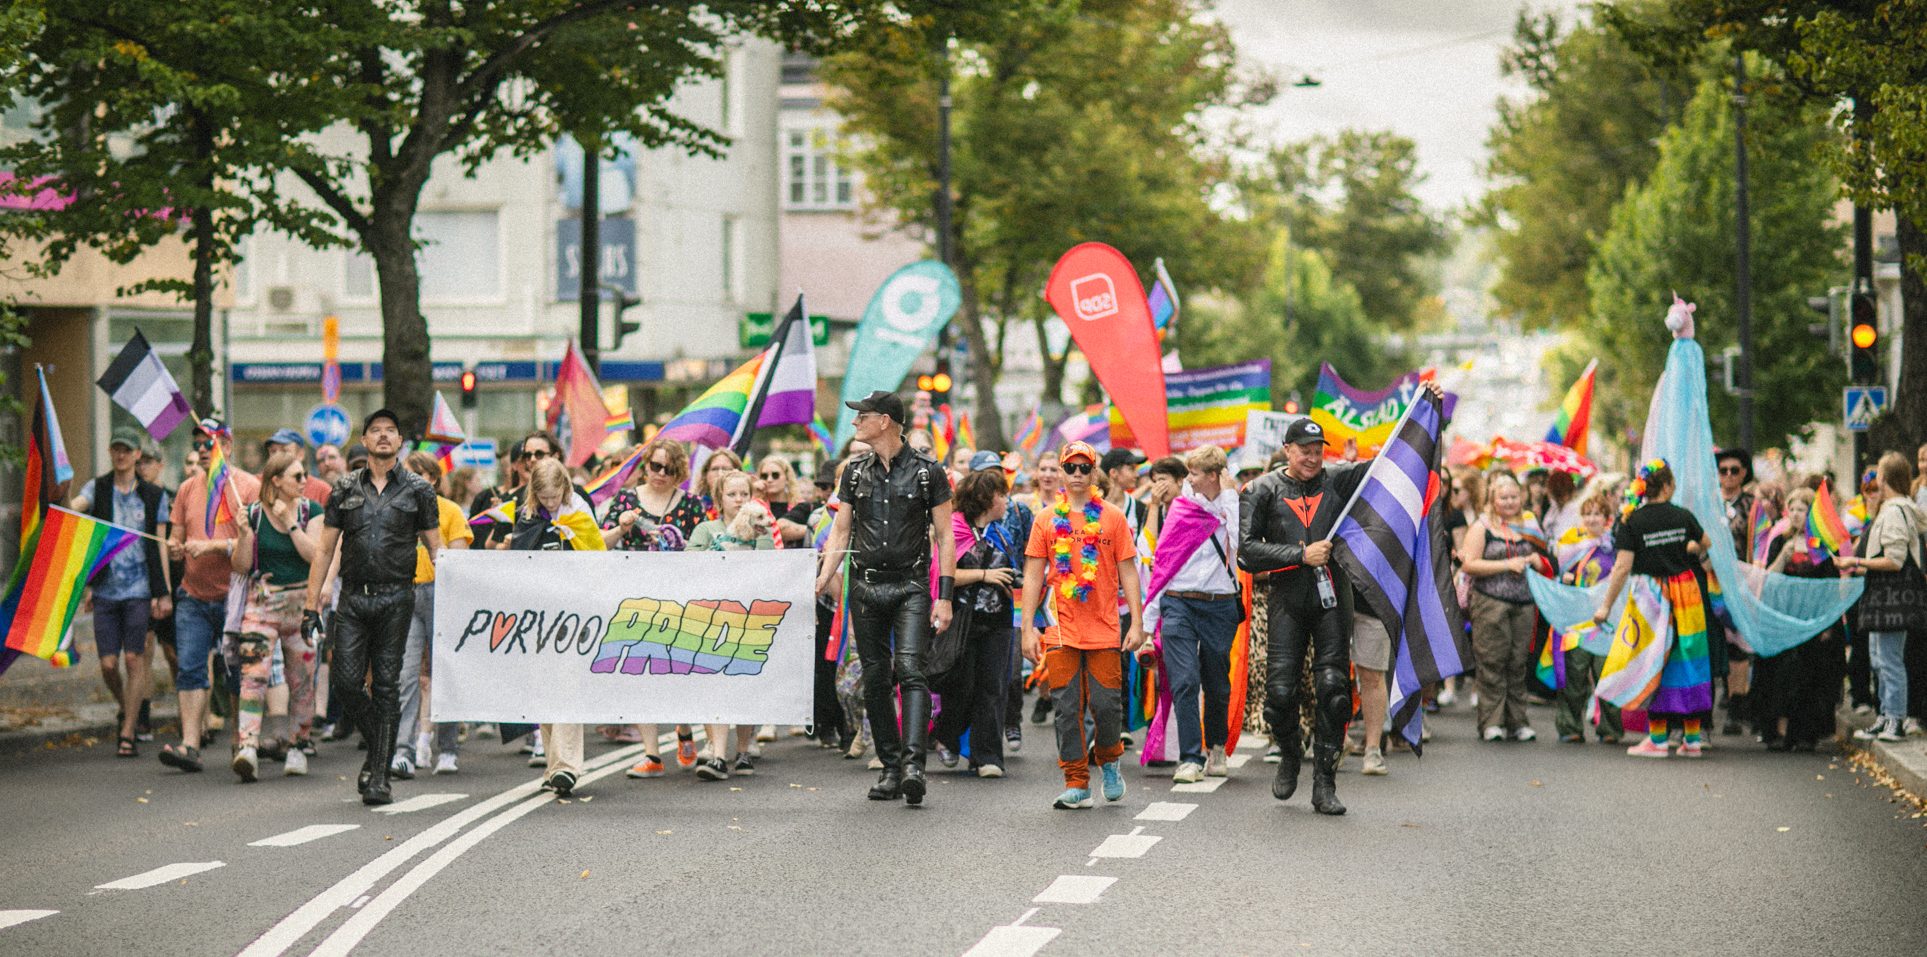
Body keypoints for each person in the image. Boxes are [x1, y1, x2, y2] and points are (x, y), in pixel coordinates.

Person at [1239, 399, 1435, 817]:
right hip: (1288, 599)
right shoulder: (1260, 490)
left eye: (1318, 450)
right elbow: (1246, 553)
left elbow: (1392, 457)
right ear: (1287, 450)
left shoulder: (1340, 481)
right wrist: (1298, 554)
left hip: (1333, 597)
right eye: (1304, 449)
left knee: (1333, 691)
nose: (1312, 457)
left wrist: (1425, 404)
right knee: (1279, 694)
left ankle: (1324, 783)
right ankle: (1291, 754)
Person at [814, 390, 957, 806]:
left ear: (886, 421)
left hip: (911, 585)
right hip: (864, 585)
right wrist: (825, 575)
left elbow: (945, 537)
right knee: (875, 679)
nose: (856, 422)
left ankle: (914, 767)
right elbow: (841, 532)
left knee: (911, 670)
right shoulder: (854, 473)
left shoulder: (930, 472)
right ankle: (891, 768)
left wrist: (943, 597)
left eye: (863, 416)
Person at [302, 409, 443, 804]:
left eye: (390, 431)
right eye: (375, 431)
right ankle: (380, 749)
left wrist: (453, 595)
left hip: (398, 597)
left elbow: (437, 550)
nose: (383, 437)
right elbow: (326, 548)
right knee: (347, 683)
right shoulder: (344, 488)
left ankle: (380, 776)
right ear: (364, 441)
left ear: (400, 442)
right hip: (353, 597)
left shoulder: (419, 490)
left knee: (386, 685)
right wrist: (311, 605)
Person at [1020, 441, 1144, 810]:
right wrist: (1028, 628)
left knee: (1106, 707)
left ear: (1094, 474)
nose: (1076, 475)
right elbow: (1032, 576)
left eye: (1083, 468)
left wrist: (1137, 623)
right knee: (1065, 706)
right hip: (1060, 626)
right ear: (1060, 472)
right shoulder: (1045, 520)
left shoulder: (1112, 518)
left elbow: (1128, 571)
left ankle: (1109, 759)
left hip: (1105, 626)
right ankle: (1076, 781)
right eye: (1069, 468)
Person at [1592, 459, 1715, 759]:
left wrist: (1606, 606)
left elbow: (1622, 567)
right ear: (1669, 485)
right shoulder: (1684, 516)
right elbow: (1706, 543)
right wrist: (1688, 549)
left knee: (1652, 661)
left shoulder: (1632, 520)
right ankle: (1693, 739)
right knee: (1689, 660)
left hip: (1652, 595)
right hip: (1687, 593)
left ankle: (1658, 740)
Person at [160, 418, 261, 773]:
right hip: (193, 595)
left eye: (210, 443)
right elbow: (176, 537)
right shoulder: (187, 488)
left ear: (227, 447)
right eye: (198, 444)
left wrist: (212, 546)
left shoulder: (247, 487)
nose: (203, 450)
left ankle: (240, 739)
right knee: (189, 669)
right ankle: (190, 744)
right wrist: (175, 548)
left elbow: (256, 545)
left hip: (236, 595)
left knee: (236, 671)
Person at [504, 457, 603, 795]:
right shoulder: (527, 516)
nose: (550, 503)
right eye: (543, 497)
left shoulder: (580, 511)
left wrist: (570, 538)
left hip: (574, 614)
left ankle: (568, 766)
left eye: (554, 495)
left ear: (565, 487)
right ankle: (552, 764)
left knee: (568, 684)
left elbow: (597, 554)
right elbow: (519, 563)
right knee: (543, 687)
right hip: (539, 616)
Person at [227, 451, 328, 780]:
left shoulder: (310, 510)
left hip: (302, 607)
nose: (304, 482)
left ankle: (298, 746)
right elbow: (242, 566)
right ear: (276, 481)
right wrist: (243, 535)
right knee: (253, 677)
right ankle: (248, 747)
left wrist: (289, 524)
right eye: (297, 477)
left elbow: (316, 556)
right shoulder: (253, 514)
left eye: (304, 476)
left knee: (302, 681)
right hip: (262, 604)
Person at [73, 430, 172, 758]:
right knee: (108, 664)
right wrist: (56, 498)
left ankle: (128, 730)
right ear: (110, 451)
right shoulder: (97, 487)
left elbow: (158, 546)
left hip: (139, 591)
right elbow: (74, 509)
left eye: (126, 450)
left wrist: (163, 593)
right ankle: (126, 708)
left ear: (136, 455)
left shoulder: (153, 495)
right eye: (116, 449)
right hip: (105, 589)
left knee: (134, 657)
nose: (120, 455)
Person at [1147, 445, 1241, 783]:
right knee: (1185, 679)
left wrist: (1230, 500)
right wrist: (1147, 624)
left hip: (1219, 604)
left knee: (1216, 682)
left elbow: (1241, 544)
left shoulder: (1234, 504)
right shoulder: (1183, 508)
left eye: (1195, 474)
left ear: (1213, 476)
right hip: (1178, 602)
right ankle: (1190, 758)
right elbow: (1163, 563)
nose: (1189, 480)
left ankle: (1216, 745)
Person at [930, 466, 1017, 778]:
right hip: (962, 618)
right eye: (1001, 495)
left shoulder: (1003, 534)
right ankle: (946, 735)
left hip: (999, 620)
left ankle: (988, 757)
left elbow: (1012, 569)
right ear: (986, 498)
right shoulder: (954, 529)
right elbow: (943, 574)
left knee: (993, 688)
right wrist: (984, 575)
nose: (1007, 501)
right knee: (962, 686)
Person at [392, 452, 472, 778]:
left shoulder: (450, 511)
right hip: (407, 593)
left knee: (444, 673)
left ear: (433, 479)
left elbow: (459, 559)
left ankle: (448, 748)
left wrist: (430, 541)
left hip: (441, 594)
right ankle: (403, 751)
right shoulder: (397, 511)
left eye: (416, 475)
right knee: (408, 674)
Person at [1840, 452, 1926, 744]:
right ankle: (1886, 716)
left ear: (1885, 478)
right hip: (1885, 599)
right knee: (1879, 658)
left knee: (1889, 660)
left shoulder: (1894, 511)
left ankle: (1895, 720)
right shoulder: (1893, 508)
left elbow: (1895, 560)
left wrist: (1857, 563)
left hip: (1892, 598)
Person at [1459, 470, 1550, 743]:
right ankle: (1492, 722)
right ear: (1493, 499)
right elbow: (1468, 563)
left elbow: (1548, 562)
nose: (1509, 502)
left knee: (1518, 663)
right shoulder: (1483, 526)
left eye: (1513, 497)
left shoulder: (1530, 525)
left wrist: (1536, 560)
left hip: (1523, 603)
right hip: (1490, 602)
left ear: (1520, 498)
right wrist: (1505, 565)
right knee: (1492, 662)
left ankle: (1518, 721)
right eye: (1503, 497)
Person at [1758, 488, 1843, 751]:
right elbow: (1769, 578)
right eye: (1792, 509)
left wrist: (1827, 623)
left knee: (1810, 676)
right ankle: (1780, 731)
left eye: (1801, 510)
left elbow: (1831, 585)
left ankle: (1806, 733)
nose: (1795, 515)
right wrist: (1784, 555)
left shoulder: (1820, 546)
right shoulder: (1779, 541)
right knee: (1782, 674)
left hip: (1812, 618)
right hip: (1785, 616)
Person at [1551, 494, 1622, 743]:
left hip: (1606, 622)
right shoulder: (1570, 546)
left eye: (1597, 514)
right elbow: (1558, 579)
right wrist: (1564, 579)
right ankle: (1570, 726)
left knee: (1607, 675)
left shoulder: (1615, 547)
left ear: (1607, 519)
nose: (1592, 518)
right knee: (1575, 675)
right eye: (1588, 513)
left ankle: (1610, 729)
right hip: (1578, 622)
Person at [470, 432, 557, 550]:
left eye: (539, 454)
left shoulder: (575, 494)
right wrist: (508, 544)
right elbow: (490, 545)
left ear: (556, 456)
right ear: (514, 465)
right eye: (526, 456)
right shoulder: (511, 500)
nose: (532, 460)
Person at [265, 428, 333, 505]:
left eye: (284, 451)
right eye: (273, 451)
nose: (277, 456)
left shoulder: (321, 489)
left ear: (300, 454)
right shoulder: (258, 484)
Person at [696, 448, 744, 519]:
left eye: (725, 469)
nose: (720, 473)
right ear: (706, 475)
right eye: (715, 469)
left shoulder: (745, 505)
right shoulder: (695, 506)